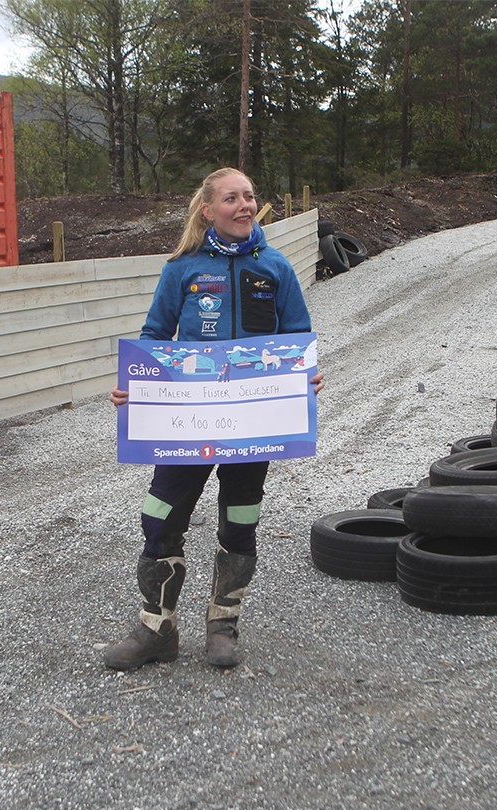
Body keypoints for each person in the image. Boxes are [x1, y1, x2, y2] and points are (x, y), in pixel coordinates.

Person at [105, 167, 324, 671]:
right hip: (190, 420)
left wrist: (305, 380)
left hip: (252, 423)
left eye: (250, 196)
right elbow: (155, 336)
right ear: (208, 210)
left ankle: (223, 624)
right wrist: (135, 386)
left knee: (240, 516)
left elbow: (297, 339)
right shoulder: (181, 268)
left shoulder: (275, 267)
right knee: (159, 516)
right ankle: (156, 631)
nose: (245, 205)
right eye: (232, 198)